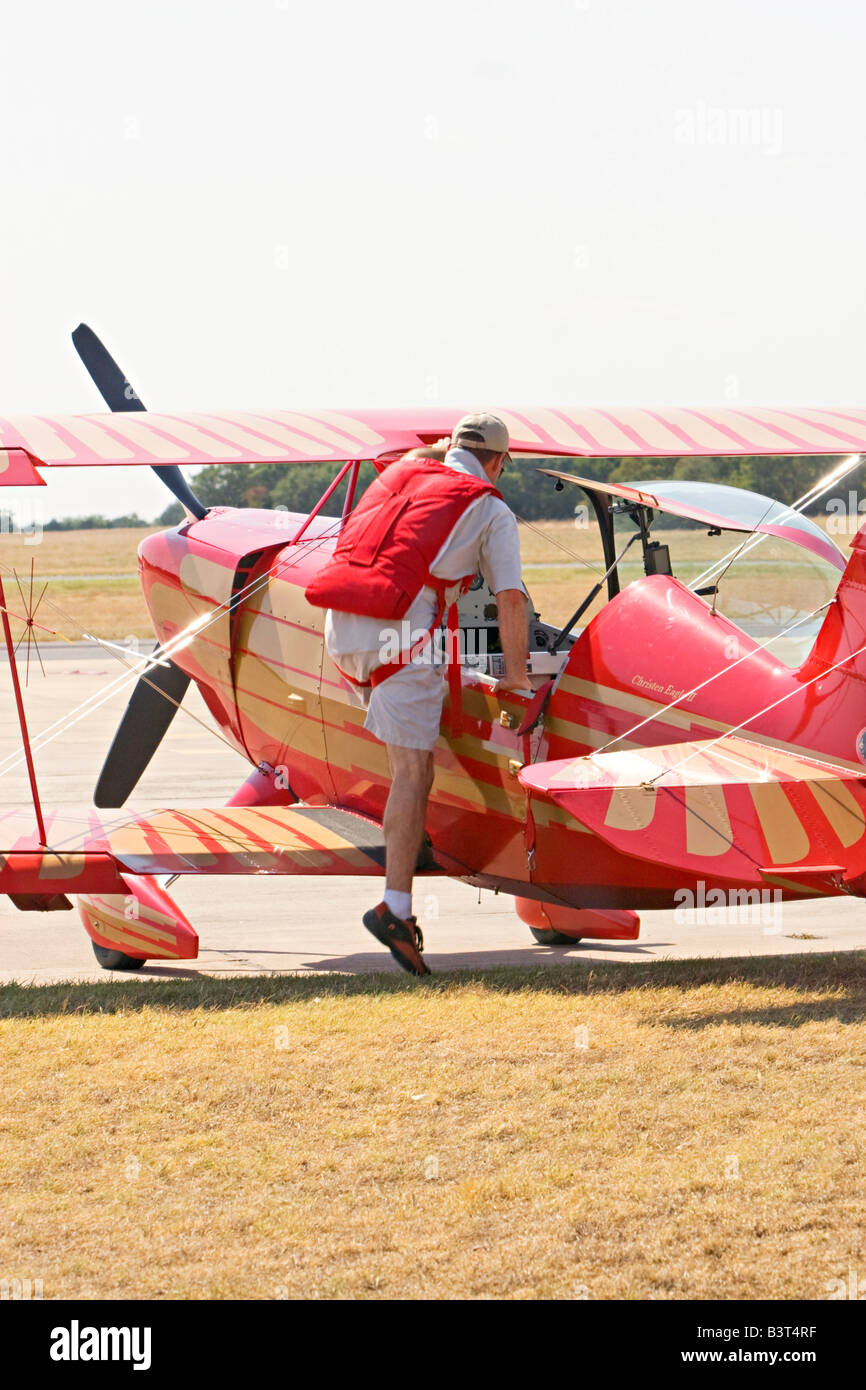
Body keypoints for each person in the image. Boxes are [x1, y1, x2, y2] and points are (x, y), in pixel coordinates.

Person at [313, 412, 528, 977]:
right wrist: (516, 677)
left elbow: (423, 461)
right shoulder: (491, 507)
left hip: (341, 631)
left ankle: (411, 846)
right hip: (403, 643)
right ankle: (395, 907)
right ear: (499, 462)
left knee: (403, 763)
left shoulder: (407, 472)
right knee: (413, 774)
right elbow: (510, 600)